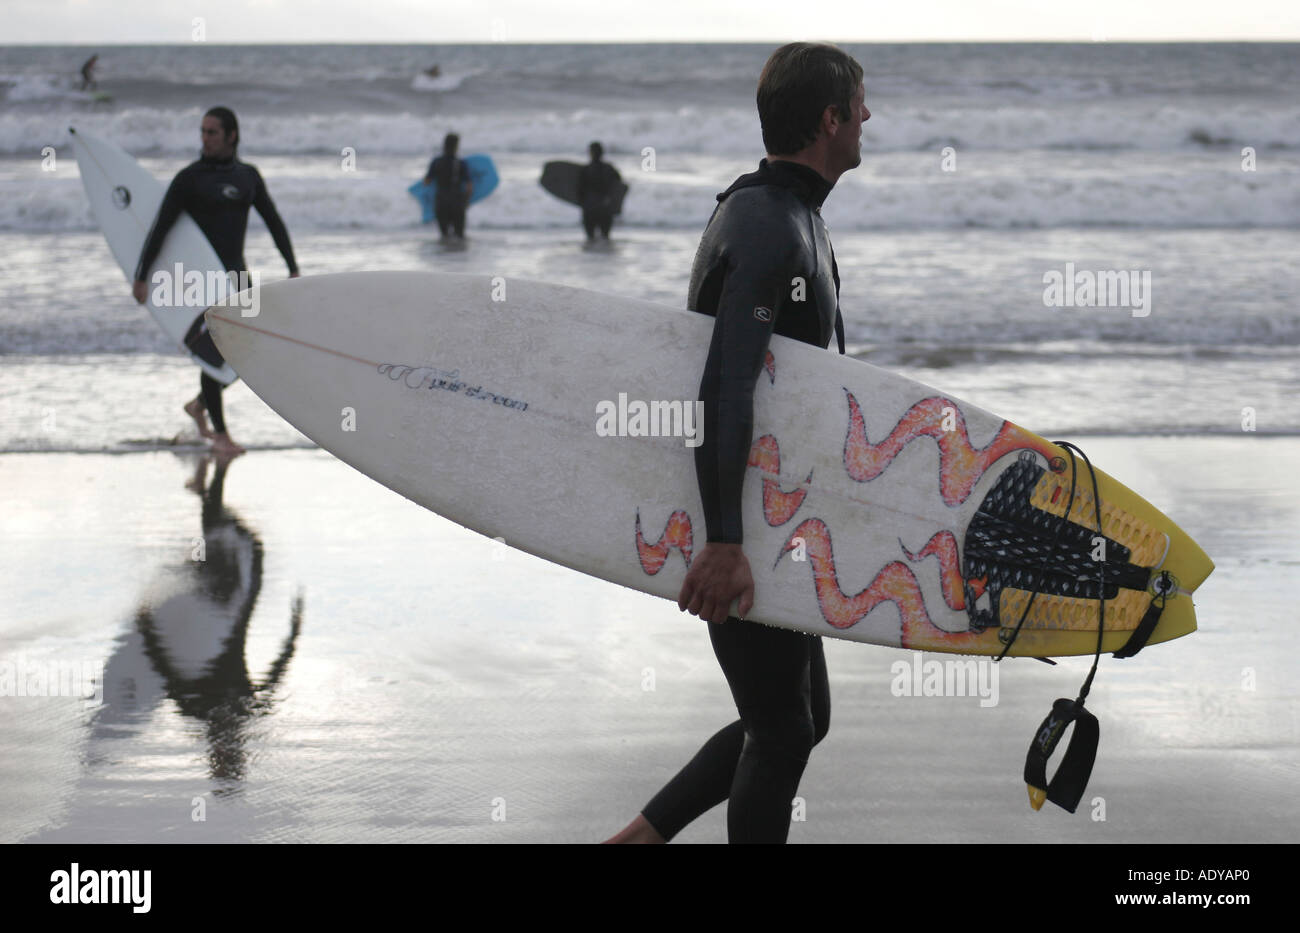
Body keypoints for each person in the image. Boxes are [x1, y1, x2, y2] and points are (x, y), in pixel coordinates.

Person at [605, 42, 869, 844]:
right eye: (859, 105)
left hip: (771, 516)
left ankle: (636, 841)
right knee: (781, 728)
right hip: (742, 517)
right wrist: (725, 540)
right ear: (828, 119)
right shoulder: (764, 223)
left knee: (799, 718)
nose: (868, 118)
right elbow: (726, 383)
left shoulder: (794, 216)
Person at [132, 106, 299, 457]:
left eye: (212, 132)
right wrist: (142, 276)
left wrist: (292, 267)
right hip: (202, 279)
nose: (205, 139)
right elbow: (161, 228)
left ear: (231, 136)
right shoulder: (189, 179)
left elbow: (274, 222)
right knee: (217, 351)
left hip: (237, 276)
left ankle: (198, 405)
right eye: (203, 132)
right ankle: (221, 435)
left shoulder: (248, 177)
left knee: (253, 351)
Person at [423, 133, 473, 240]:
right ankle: (458, 256)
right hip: (457, 202)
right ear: (456, 146)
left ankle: (445, 255)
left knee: (444, 236)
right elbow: (469, 187)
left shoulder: (436, 162)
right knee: (460, 237)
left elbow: (426, 182)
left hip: (441, 202)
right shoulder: (461, 163)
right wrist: (467, 201)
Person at [576, 141, 622, 241]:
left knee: (590, 239)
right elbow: (619, 187)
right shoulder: (610, 169)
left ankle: (592, 256)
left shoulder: (585, 170)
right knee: (605, 238)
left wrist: (582, 204)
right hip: (605, 209)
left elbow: (579, 192)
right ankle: (603, 256)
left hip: (589, 209)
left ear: (591, 153)